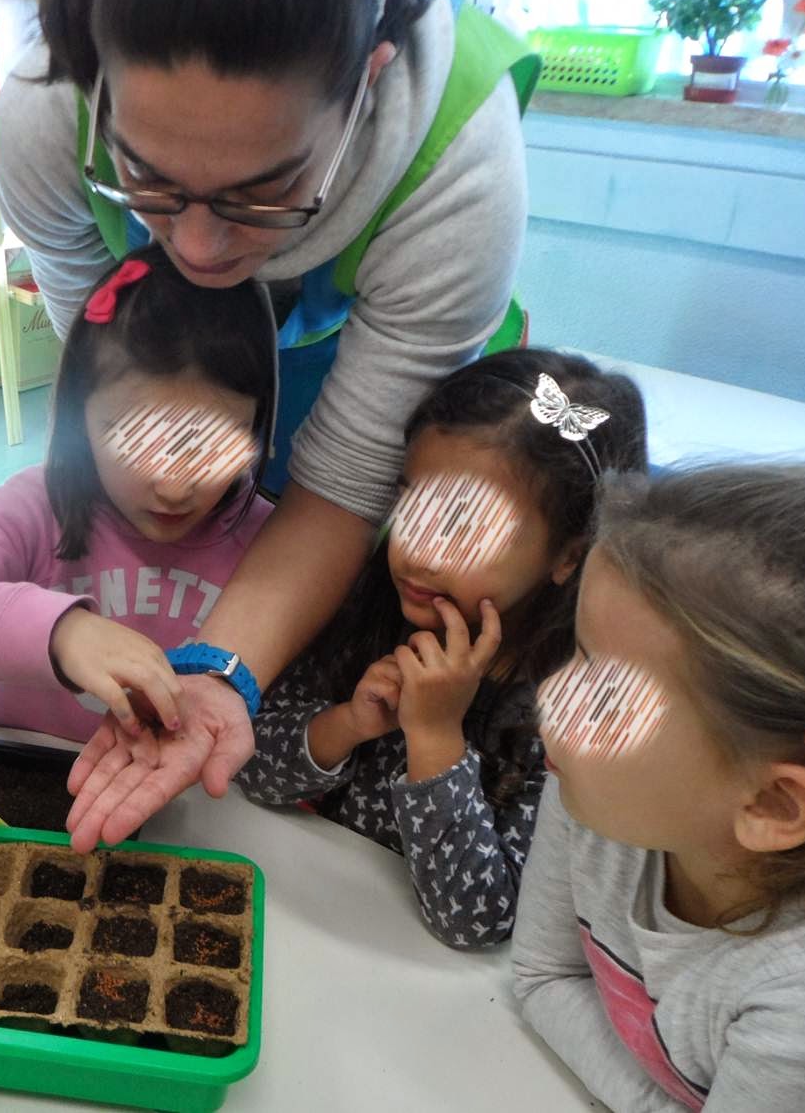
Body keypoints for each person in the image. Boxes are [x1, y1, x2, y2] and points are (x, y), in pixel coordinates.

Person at [0, 0, 545, 851]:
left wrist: (218, 673)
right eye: (149, 178)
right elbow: (102, 367)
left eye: (266, 189)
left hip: (358, 387)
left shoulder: (458, 170)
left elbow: (342, 483)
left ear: (368, 80)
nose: (202, 249)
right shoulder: (39, 120)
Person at [231, 351, 646, 949]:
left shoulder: (569, 717)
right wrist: (346, 723)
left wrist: (434, 737)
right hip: (295, 923)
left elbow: (477, 921)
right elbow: (249, 766)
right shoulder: (366, 604)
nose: (417, 547)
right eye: (411, 501)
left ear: (569, 555)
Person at [0, 245, 275, 741]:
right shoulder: (42, 507)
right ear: (79, 418)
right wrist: (63, 632)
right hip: (19, 782)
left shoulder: (274, 546)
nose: (174, 485)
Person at [514, 463, 805, 1110]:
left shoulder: (795, 1001)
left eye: (606, 697)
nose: (547, 698)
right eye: (578, 658)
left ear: (771, 804)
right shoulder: (596, 800)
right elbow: (539, 975)